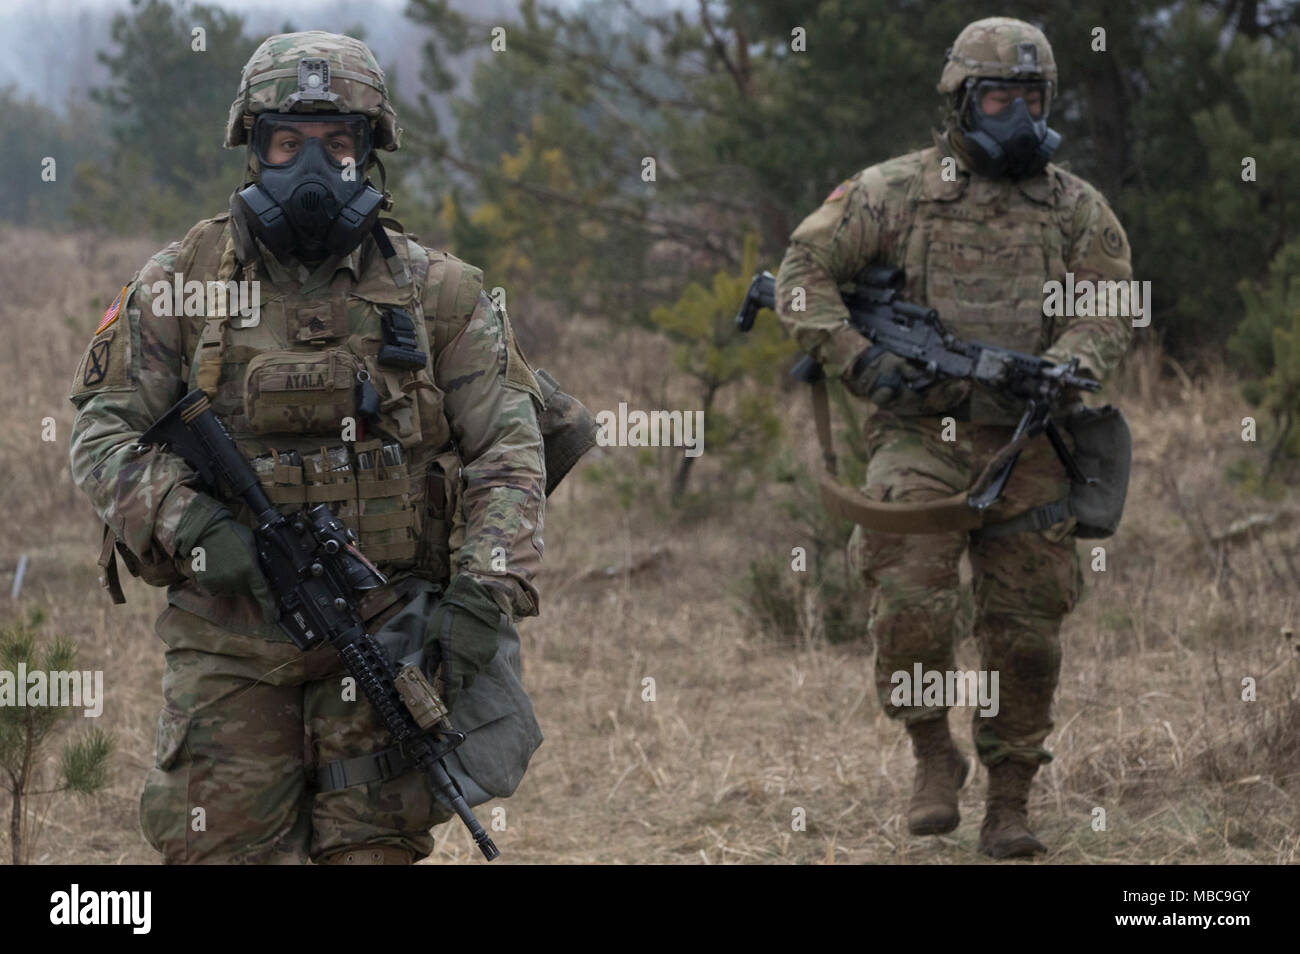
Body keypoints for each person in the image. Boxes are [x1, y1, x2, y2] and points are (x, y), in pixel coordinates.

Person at [68, 31, 547, 865]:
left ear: (371, 152)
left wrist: (484, 591)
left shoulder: (439, 293)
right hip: (229, 648)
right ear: (254, 150)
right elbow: (100, 431)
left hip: (388, 638)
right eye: (288, 143)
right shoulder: (181, 282)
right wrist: (196, 528)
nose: (312, 168)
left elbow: (510, 447)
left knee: (374, 850)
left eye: (337, 144)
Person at [775, 17, 1133, 858]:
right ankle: (933, 752)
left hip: (1032, 439)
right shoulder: (893, 191)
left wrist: (1071, 363)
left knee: (1027, 631)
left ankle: (1010, 801)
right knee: (909, 600)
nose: (1016, 112)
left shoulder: (1078, 208)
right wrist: (859, 359)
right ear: (961, 101)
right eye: (998, 95)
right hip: (918, 434)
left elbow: (1111, 305)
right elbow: (800, 279)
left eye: (1031, 96)